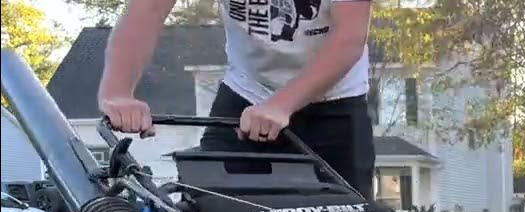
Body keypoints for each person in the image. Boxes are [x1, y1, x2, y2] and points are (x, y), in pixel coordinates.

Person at [98, 0, 376, 199]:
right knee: (205, 210)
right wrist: (118, 92)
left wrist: (281, 105)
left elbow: (349, 38)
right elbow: (148, 10)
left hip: (335, 100)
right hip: (248, 94)